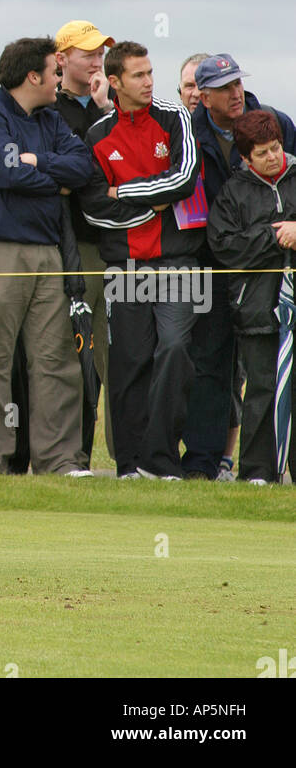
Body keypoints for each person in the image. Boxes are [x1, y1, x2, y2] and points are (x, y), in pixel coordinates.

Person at [0, 36, 94, 476]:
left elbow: (84, 167)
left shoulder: (51, 119)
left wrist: (38, 162)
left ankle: (60, 459)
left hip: (49, 255)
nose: (60, 80)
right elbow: (7, 172)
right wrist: (55, 181)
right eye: (56, 72)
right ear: (33, 76)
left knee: (56, 360)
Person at [80, 41, 203, 479]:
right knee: (129, 361)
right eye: (138, 75)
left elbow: (184, 179)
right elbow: (94, 208)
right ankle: (130, 464)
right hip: (124, 267)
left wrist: (127, 191)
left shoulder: (175, 117)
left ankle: (161, 460)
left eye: (150, 72)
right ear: (114, 81)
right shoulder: (98, 135)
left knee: (174, 349)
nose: (149, 81)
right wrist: (153, 203)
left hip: (178, 263)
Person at [182, 53, 296, 481]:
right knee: (225, 372)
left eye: (237, 84)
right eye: (224, 87)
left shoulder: (275, 122)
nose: (235, 93)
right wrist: (272, 237)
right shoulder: (192, 134)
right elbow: (224, 242)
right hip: (229, 281)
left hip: (279, 288)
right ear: (203, 95)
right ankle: (224, 466)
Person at [206, 109, 296, 484]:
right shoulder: (233, 193)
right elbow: (225, 247)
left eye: (275, 148)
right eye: (262, 153)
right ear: (246, 158)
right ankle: (258, 472)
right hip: (256, 307)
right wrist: (275, 237)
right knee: (261, 388)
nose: (272, 157)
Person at [53, 19, 115, 464]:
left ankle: (126, 459)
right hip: (72, 245)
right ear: (61, 59)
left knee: (118, 358)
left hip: (116, 246)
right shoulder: (49, 108)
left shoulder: (111, 105)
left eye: (101, 53)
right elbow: (75, 172)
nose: (97, 61)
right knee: (74, 355)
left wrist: (103, 107)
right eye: (88, 53)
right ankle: (74, 457)